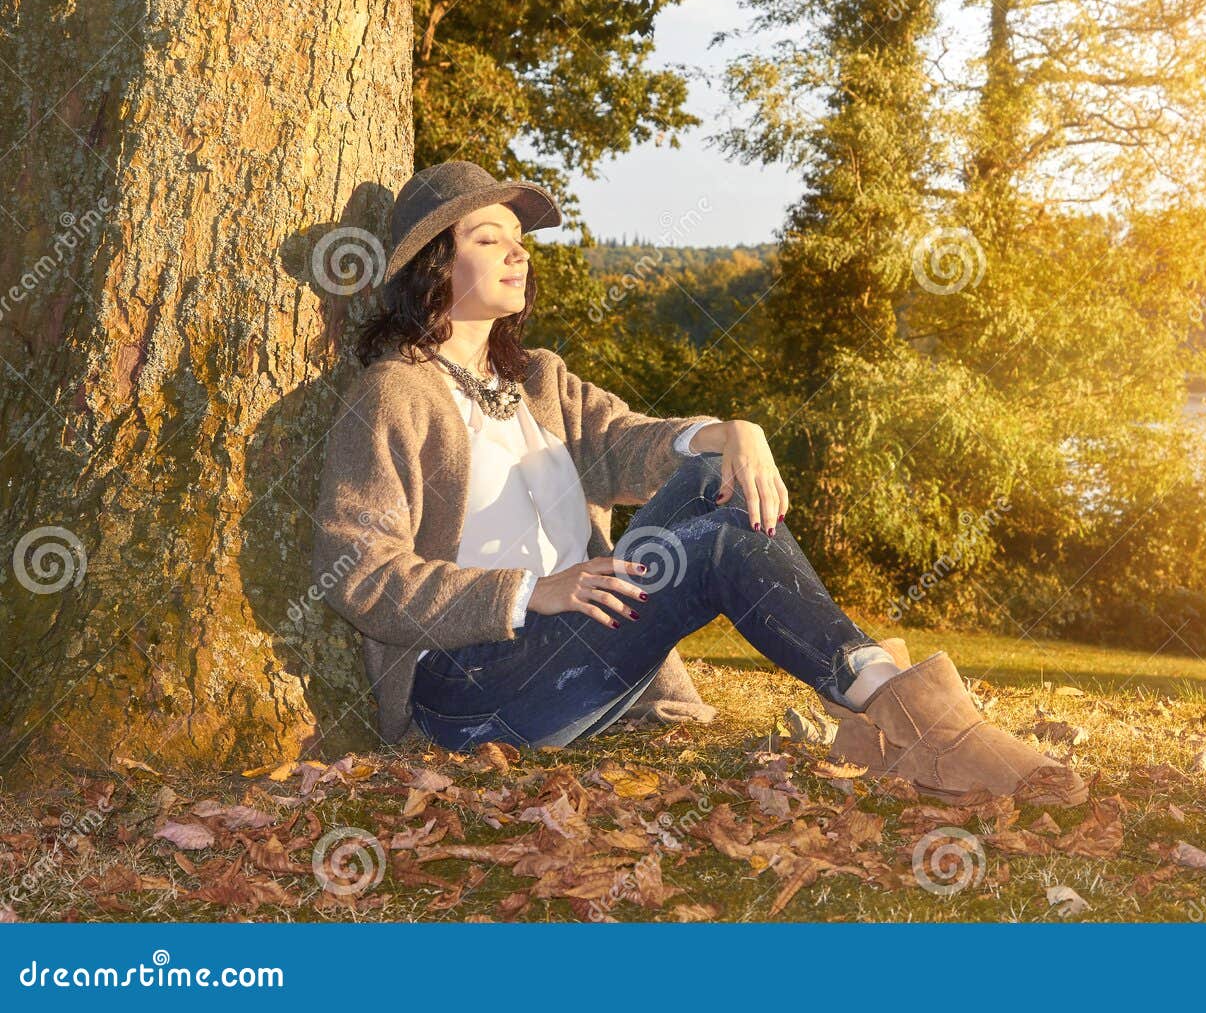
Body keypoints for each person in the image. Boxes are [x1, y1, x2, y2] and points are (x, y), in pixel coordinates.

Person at [310, 160, 1085, 803]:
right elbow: (360, 570)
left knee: (718, 477)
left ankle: (886, 699)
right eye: (490, 237)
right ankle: (903, 713)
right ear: (434, 266)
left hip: (577, 654)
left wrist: (729, 431)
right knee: (714, 543)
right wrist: (526, 592)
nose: (519, 253)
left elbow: (624, 442)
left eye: (521, 240)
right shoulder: (392, 395)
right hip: (473, 688)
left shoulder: (538, 380)